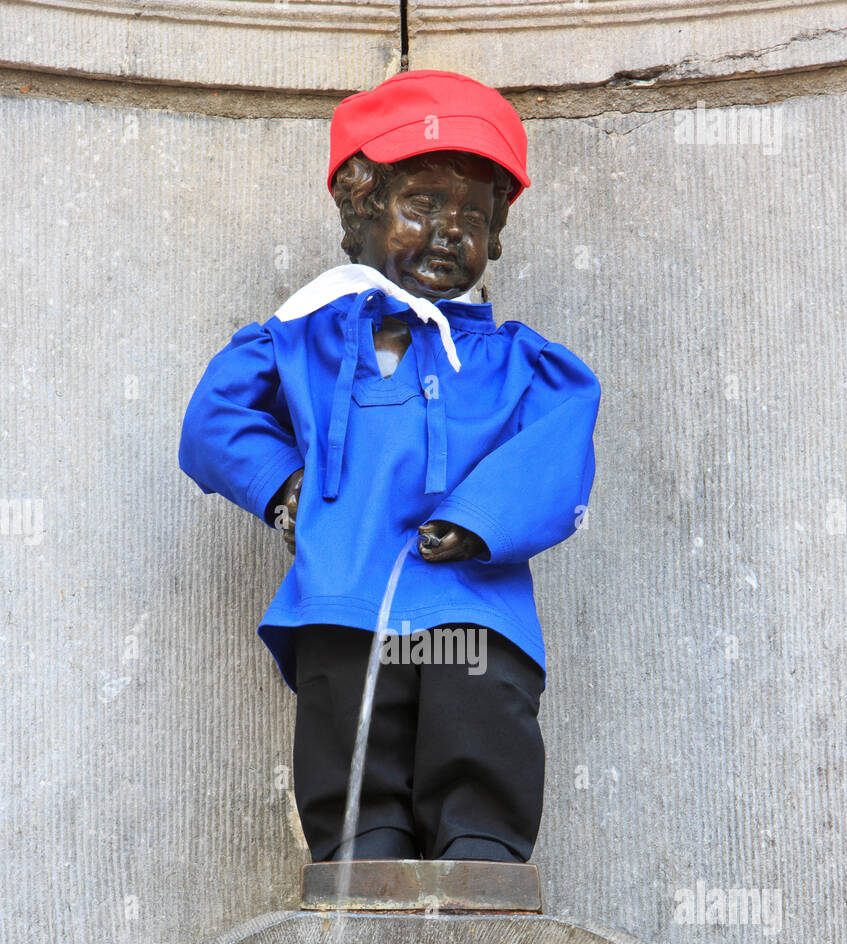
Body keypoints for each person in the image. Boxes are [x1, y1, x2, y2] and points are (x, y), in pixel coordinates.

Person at [179, 69, 600, 865]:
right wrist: (282, 486)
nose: (449, 232)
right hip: (342, 593)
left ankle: (481, 852)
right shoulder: (303, 336)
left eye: (473, 217)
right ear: (360, 207)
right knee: (346, 731)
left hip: (470, 600)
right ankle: (362, 852)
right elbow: (213, 420)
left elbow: (557, 445)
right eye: (423, 205)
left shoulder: (516, 360)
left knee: (479, 713)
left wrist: (483, 521)